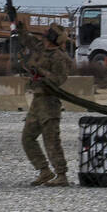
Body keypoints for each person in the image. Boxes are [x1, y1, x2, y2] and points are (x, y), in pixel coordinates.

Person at [21, 24, 73, 187]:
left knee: (51, 140)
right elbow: (28, 41)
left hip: (49, 102)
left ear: (51, 38)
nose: (42, 38)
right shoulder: (41, 49)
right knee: (27, 138)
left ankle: (61, 174)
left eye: (46, 35)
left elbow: (59, 80)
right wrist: (19, 26)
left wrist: (41, 71)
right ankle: (44, 170)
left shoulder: (60, 58)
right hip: (37, 101)